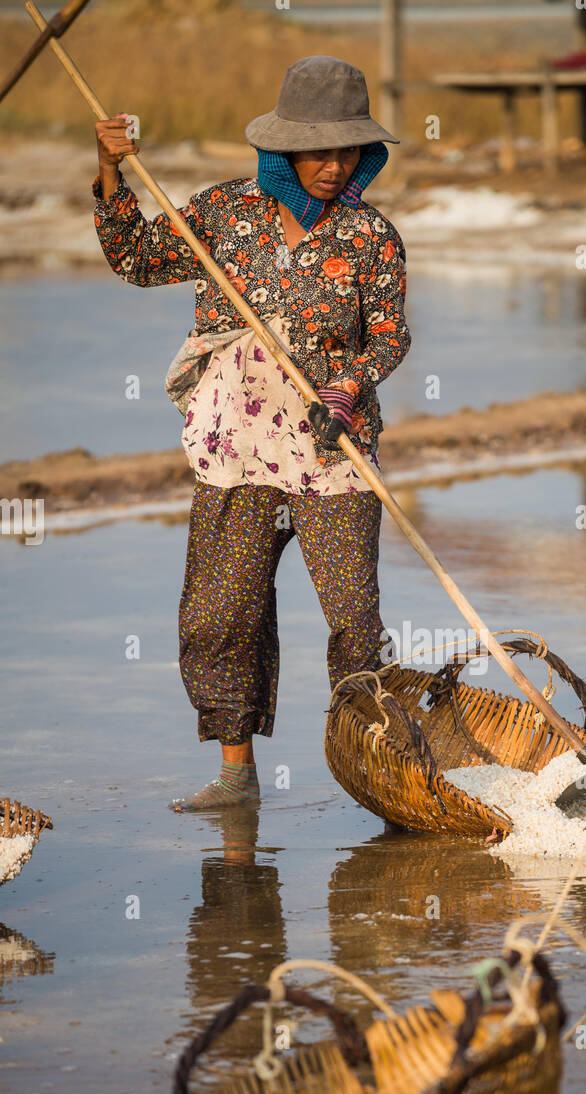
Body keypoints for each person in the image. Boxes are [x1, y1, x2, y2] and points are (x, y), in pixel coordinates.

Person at [91, 56, 411, 811]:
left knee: (354, 622)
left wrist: (347, 388)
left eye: (347, 151)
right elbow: (136, 259)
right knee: (220, 612)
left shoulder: (371, 236)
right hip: (236, 444)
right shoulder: (222, 213)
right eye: (318, 150)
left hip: (330, 445)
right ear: (283, 150)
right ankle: (236, 777)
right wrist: (110, 171)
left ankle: (376, 771)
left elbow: (390, 337)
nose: (334, 166)